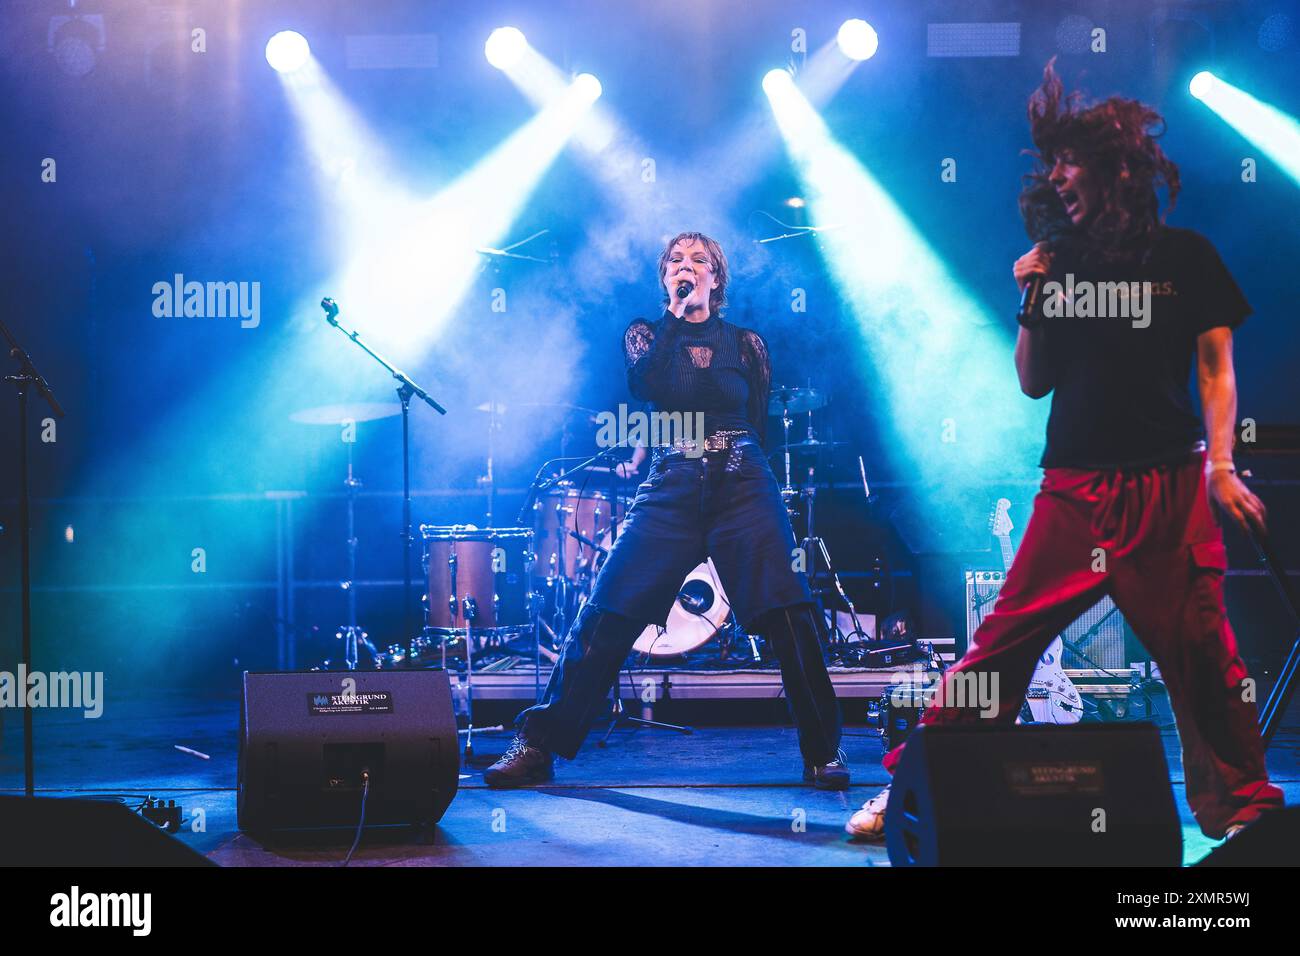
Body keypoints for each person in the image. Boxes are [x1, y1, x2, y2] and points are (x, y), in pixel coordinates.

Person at [847, 61, 1284, 841]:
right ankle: (915, 787)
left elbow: (1215, 367)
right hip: (1077, 493)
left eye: (1066, 163)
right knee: (999, 650)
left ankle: (1247, 811)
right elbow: (1031, 383)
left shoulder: (1187, 258)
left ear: (1116, 168)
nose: (1056, 178)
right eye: (1050, 166)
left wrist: (1220, 464)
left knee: (1207, 660)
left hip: (1170, 487)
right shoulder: (1058, 261)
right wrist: (1031, 301)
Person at [485, 231, 846, 789]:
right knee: (608, 610)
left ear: (717, 278)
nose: (688, 267)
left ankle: (823, 753)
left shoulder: (747, 343)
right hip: (672, 480)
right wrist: (676, 316)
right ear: (665, 280)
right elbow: (644, 381)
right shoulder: (646, 335)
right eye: (676, 261)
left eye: (699, 261)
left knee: (789, 610)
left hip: (743, 477)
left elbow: (758, 421)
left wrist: (739, 464)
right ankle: (538, 745)